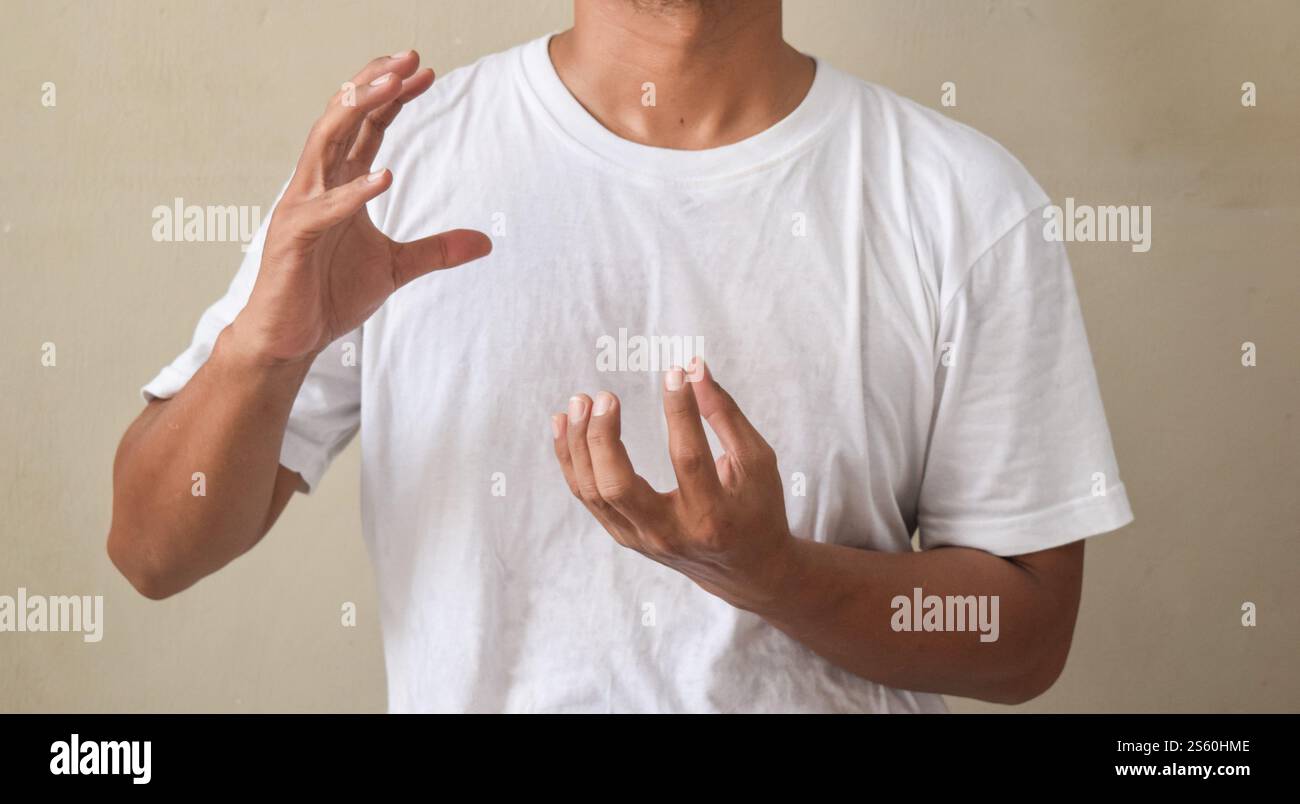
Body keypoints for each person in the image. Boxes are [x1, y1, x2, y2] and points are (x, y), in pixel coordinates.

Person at [108, 0, 1133, 712]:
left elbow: (1026, 639)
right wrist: (264, 351)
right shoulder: (398, 166)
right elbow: (152, 551)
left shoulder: (962, 202)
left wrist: (777, 577)